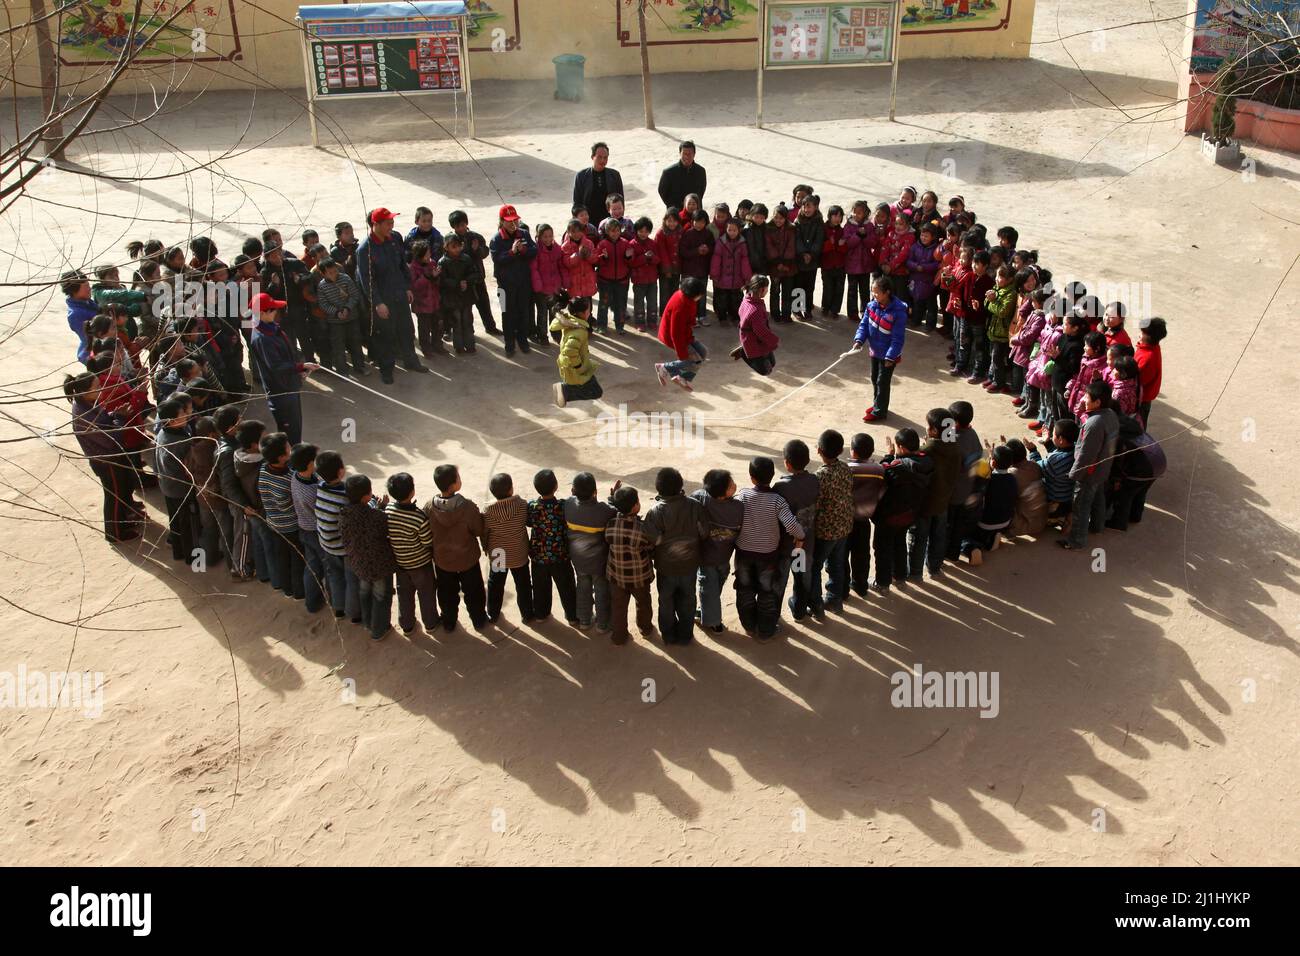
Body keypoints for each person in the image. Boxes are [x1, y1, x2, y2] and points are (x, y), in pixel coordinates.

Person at [66, 371, 144, 543]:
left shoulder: (89, 403)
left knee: (121, 490)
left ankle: (123, 522)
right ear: (85, 392)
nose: (101, 390)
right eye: (97, 387)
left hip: (111, 456)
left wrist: (114, 416)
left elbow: (104, 422)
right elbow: (109, 439)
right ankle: (114, 533)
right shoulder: (83, 415)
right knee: (114, 496)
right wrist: (120, 419)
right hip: (106, 460)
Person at [733, 457, 805, 642]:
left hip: (743, 555)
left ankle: (749, 625)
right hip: (768, 557)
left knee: (745, 590)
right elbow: (792, 525)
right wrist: (801, 536)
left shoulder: (742, 496)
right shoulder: (777, 501)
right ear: (772, 476)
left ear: (751, 478)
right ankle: (765, 631)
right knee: (766, 593)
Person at [356, 207, 429, 380]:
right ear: (376, 225)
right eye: (388, 223)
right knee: (386, 336)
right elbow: (367, 281)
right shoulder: (364, 250)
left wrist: (408, 287)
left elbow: (402, 266)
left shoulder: (395, 239)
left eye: (392, 222)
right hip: (384, 300)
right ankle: (386, 370)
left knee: (406, 330)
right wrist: (378, 303)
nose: (391, 226)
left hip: (400, 294)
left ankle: (411, 361)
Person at [643, 467, 705, 645]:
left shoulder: (655, 511)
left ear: (658, 489)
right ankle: (685, 635)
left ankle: (668, 635)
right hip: (690, 566)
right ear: (681, 486)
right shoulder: (695, 505)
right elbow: (704, 532)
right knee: (687, 600)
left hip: (666, 568)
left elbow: (652, 540)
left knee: (666, 602)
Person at [426, 464, 488, 631]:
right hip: (468, 560)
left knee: (446, 595)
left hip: (443, 561)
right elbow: (478, 530)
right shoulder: (468, 507)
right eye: (458, 477)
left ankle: (449, 622)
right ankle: (479, 620)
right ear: (454, 485)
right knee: (474, 592)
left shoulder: (429, 507)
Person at [1060, 380, 1119, 551]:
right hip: (1103, 468)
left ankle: (1076, 541)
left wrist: (1074, 474)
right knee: (1098, 498)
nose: (1084, 399)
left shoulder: (1094, 424)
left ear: (1098, 402)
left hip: (1089, 473)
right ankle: (1097, 526)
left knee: (1081, 506)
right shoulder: (1110, 415)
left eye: (1087, 397)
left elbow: (1086, 454)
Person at [874, 429, 933, 592]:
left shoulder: (897, 466)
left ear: (901, 448)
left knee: (883, 549)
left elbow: (882, 472)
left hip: (889, 517)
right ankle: (899, 577)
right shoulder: (927, 462)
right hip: (910, 514)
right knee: (899, 544)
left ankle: (882, 583)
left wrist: (889, 456)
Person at [339, 474, 396, 641]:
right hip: (379, 566)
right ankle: (379, 629)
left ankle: (368, 622)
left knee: (364, 592)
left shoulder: (343, 514)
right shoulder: (377, 517)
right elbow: (382, 525)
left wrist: (375, 507)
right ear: (366, 496)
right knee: (381, 596)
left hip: (359, 564)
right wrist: (383, 507)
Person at [804, 429, 853, 617]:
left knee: (815, 566)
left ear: (818, 451)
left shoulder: (820, 476)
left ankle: (816, 605)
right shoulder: (846, 468)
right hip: (844, 525)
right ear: (841, 450)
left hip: (826, 531)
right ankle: (835, 599)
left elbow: (815, 505)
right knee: (837, 563)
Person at [907, 408, 960, 579]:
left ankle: (915, 572)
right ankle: (934, 568)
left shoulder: (927, 450)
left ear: (935, 431)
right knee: (938, 536)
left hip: (925, 503)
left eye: (929, 426)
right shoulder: (955, 447)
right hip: (943, 500)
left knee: (919, 538)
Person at [384, 471, 438, 635]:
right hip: (421, 564)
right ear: (412, 492)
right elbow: (427, 542)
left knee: (404, 595)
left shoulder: (387, 510)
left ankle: (406, 625)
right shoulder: (418, 517)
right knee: (426, 594)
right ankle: (430, 624)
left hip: (400, 563)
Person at [849, 276, 909, 423]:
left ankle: (880, 411)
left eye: (877, 292)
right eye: (872, 292)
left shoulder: (898, 312)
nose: (874, 295)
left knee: (883, 382)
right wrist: (859, 340)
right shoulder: (871, 306)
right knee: (875, 378)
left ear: (887, 292)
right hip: (875, 351)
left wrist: (890, 357)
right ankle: (878, 404)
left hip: (888, 355)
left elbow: (898, 338)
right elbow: (864, 325)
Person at [691, 468, 743, 634]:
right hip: (723, 558)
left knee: (709, 588)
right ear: (722, 494)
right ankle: (714, 623)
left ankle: (706, 612)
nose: (734, 485)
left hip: (706, 557)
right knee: (713, 587)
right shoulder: (737, 507)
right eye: (731, 485)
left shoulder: (700, 498)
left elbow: (692, 498)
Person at [564, 472, 616, 634]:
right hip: (599, 562)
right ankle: (602, 624)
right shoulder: (603, 510)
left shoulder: (568, 504)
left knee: (583, 588)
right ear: (595, 492)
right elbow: (615, 511)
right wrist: (612, 498)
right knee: (601, 591)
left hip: (578, 559)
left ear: (573, 491)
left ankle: (585, 621)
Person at [604, 485, 656, 645]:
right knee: (644, 603)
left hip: (616, 576)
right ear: (635, 506)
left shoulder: (611, 524)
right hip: (639, 577)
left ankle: (619, 636)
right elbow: (650, 546)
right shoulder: (642, 529)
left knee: (618, 607)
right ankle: (645, 628)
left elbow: (607, 540)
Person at [527, 468, 579, 625]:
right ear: (556, 486)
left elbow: (528, 522)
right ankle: (572, 616)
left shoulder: (532, 506)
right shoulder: (562, 506)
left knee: (540, 587)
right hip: (560, 555)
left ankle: (541, 614)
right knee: (567, 587)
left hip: (538, 556)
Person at [774, 439, 819, 621]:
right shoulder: (814, 481)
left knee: (780, 582)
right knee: (802, 578)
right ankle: (800, 611)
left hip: (786, 547)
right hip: (804, 546)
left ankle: (773, 617)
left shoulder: (781, 487)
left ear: (787, 463)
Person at [484, 472, 536, 624]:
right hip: (519, 552)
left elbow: (485, 532)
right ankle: (527, 614)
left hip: (499, 553)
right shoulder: (521, 505)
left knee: (496, 583)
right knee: (523, 584)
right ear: (511, 489)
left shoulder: (488, 511)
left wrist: (485, 547)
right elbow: (527, 522)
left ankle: (493, 613)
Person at [258, 431, 303, 600]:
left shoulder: (264, 468)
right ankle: (298, 591)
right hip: (290, 526)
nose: (291, 447)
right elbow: (286, 506)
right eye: (288, 447)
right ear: (282, 456)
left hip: (274, 523)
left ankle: (287, 589)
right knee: (297, 559)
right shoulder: (287, 478)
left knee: (282, 557)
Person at [488, 204, 537, 355]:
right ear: (502, 221)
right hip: (504, 285)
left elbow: (534, 250)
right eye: (509, 221)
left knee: (523, 312)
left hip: (523, 282)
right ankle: (509, 343)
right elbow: (497, 259)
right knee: (507, 313)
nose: (513, 224)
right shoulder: (496, 239)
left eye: (515, 220)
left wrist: (524, 250)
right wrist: (512, 252)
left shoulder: (523, 234)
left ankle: (522, 340)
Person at [154, 394, 197, 563]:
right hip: (181, 489)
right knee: (188, 524)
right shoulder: (180, 441)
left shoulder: (162, 434)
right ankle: (193, 559)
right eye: (182, 415)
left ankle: (178, 552)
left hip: (167, 486)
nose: (186, 416)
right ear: (171, 421)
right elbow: (189, 467)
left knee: (176, 521)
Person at [313, 450, 355, 620]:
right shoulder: (345, 495)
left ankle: (338, 608)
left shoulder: (321, 487)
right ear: (341, 471)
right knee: (351, 579)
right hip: (343, 547)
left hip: (326, 544)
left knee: (335, 576)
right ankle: (354, 613)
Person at [962, 443, 1016, 566]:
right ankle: (991, 538)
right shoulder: (1012, 479)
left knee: (961, 534)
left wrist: (987, 464)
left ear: (993, 463)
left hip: (985, 523)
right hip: (1005, 521)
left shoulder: (989, 480)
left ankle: (971, 549)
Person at [448, 209, 501, 337]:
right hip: (463, 280)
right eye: (457, 226)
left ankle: (490, 326)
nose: (460, 228)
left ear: (466, 223)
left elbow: (485, 253)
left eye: (462, 225)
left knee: (484, 304)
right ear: (453, 227)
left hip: (477, 278)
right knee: (465, 308)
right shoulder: (451, 240)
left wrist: (477, 249)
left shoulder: (476, 237)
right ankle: (467, 331)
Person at [314, 256, 369, 376]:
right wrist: (336, 312)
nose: (334, 274)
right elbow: (323, 304)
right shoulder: (322, 286)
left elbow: (354, 295)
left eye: (335, 271)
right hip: (335, 322)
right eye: (330, 273)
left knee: (355, 344)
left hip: (351, 318)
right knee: (338, 347)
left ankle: (360, 367)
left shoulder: (345, 279)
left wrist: (347, 308)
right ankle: (342, 371)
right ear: (323, 274)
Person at [289, 442, 327, 614]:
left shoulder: (296, 476)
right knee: (327, 567)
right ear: (310, 464)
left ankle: (312, 602)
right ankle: (329, 603)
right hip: (315, 532)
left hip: (304, 528)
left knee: (312, 567)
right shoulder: (312, 491)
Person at [846, 432, 885, 594]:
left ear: (853, 452)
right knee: (862, 555)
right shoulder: (878, 470)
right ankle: (860, 585)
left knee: (842, 555)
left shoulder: (846, 469)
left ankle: (842, 589)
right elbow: (881, 492)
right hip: (864, 519)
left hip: (845, 521)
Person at [549, 292, 602, 408]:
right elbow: (569, 350)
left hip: (577, 366)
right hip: (575, 369)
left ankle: (566, 389)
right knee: (596, 391)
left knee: (593, 386)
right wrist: (578, 366)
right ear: (582, 314)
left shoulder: (571, 321)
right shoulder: (579, 331)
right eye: (588, 311)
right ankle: (565, 390)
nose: (589, 313)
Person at [655, 276, 708, 392]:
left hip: (686, 334)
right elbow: (676, 334)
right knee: (695, 361)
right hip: (672, 336)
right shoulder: (681, 307)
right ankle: (664, 367)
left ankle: (678, 375)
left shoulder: (685, 297)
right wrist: (682, 354)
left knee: (703, 352)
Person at [1028, 419, 1078, 530]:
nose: (1051, 436)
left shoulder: (1054, 460)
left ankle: (1056, 518)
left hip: (1056, 500)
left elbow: (1036, 467)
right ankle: (1064, 514)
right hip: (1067, 497)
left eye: (1053, 434)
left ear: (1060, 439)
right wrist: (1047, 442)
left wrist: (1033, 451)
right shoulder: (1076, 450)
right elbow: (1059, 453)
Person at [438, 234, 478, 355]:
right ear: (446, 247)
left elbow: (475, 273)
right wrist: (457, 284)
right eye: (453, 247)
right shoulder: (443, 262)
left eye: (458, 246)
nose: (456, 249)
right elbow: (442, 280)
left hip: (466, 297)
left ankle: (470, 345)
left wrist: (467, 281)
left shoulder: (466, 259)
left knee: (467, 321)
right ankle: (459, 347)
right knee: (457, 322)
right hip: (452, 298)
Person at [710, 218, 752, 327]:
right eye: (729, 230)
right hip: (722, 278)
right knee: (722, 299)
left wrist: (747, 277)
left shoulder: (742, 243)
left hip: (736, 278)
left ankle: (735, 317)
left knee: (736, 299)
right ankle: (722, 318)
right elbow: (716, 259)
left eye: (734, 230)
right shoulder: (720, 242)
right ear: (726, 230)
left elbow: (745, 261)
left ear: (739, 230)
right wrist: (714, 274)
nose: (732, 232)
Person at [594, 215, 632, 334]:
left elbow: (630, 262)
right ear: (607, 231)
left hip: (621, 280)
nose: (614, 233)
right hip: (605, 281)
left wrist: (628, 256)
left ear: (620, 230)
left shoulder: (625, 243)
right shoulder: (602, 244)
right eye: (611, 231)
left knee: (620, 305)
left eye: (617, 230)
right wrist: (603, 258)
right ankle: (601, 325)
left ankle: (620, 326)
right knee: (604, 304)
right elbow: (597, 262)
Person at [677, 210, 715, 325]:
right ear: (692, 221)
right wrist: (697, 251)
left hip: (702, 269)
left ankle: (701, 315)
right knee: (689, 295)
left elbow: (713, 247)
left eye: (702, 222)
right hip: (689, 271)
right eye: (697, 222)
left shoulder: (708, 234)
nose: (699, 224)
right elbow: (683, 252)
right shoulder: (687, 234)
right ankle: (690, 317)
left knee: (701, 294)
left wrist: (707, 250)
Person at [407, 239, 444, 358]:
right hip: (422, 305)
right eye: (426, 254)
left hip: (434, 302)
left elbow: (437, 282)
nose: (429, 256)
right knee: (424, 329)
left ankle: (437, 345)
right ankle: (426, 348)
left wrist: (436, 277)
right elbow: (415, 286)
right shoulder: (413, 268)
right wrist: (427, 276)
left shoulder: (432, 263)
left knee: (437, 326)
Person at [736, 274, 779, 376]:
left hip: (752, 335)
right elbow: (761, 332)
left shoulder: (747, 299)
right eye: (766, 288)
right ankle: (744, 353)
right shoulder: (755, 310)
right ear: (762, 290)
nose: (767, 291)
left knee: (772, 363)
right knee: (766, 371)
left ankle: (748, 351)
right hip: (752, 340)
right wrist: (774, 340)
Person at [529, 223, 564, 346]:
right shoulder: (536, 250)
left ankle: (556, 334)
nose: (548, 239)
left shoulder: (557, 249)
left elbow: (561, 267)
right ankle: (542, 336)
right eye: (545, 237)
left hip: (554, 288)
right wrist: (538, 286)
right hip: (542, 289)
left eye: (550, 236)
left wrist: (563, 282)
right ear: (539, 237)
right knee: (542, 314)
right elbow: (534, 269)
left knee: (555, 313)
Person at [573, 142, 625, 221]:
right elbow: (577, 203)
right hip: (588, 220)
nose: (602, 160)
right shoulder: (581, 176)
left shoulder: (614, 175)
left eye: (605, 157)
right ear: (592, 157)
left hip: (610, 223)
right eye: (599, 157)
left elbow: (621, 200)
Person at [792, 196, 824, 320]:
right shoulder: (798, 221)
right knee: (797, 285)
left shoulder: (819, 221)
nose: (806, 209)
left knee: (809, 287)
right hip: (799, 259)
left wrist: (811, 254)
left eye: (809, 206)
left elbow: (819, 239)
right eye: (804, 206)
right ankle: (796, 309)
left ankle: (807, 308)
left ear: (815, 207)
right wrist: (803, 253)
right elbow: (797, 239)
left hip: (812, 260)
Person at [765, 204, 797, 323]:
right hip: (775, 267)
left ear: (786, 218)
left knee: (787, 292)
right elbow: (769, 247)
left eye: (781, 218)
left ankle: (786, 314)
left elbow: (791, 246)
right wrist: (777, 262)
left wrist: (786, 263)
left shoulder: (791, 229)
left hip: (789, 267)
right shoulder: (768, 229)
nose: (778, 220)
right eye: (776, 217)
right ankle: (775, 314)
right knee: (775, 291)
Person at [628, 217, 660, 333]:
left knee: (652, 302)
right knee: (639, 302)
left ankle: (652, 321)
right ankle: (640, 322)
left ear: (649, 231)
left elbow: (658, 260)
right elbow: (631, 262)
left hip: (652, 280)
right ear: (636, 230)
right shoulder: (631, 244)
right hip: (638, 280)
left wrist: (652, 258)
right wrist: (644, 257)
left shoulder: (653, 243)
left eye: (646, 231)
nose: (643, 233)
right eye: (641, 231)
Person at [657, 140, 707, 210]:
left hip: (695, 211)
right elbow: (662, 191)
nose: (687, 157)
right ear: (680, 153)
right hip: (676, 213)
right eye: (684, 153)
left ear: (694, 154)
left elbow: (701, 191)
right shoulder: (668, 172)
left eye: (689, 154)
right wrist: (673, 206)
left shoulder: (701, 171)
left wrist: (693, 204)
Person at [1134, 317, 1166, 426]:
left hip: (1141, 399)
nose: (1139, 335)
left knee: (1138, 426)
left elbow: (1138, 381)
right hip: (1144, 395)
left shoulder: (1148, 358)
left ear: (1149, 336)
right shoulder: (1149, 348)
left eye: (1142, 333)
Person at [654, 208, 683, 321]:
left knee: (675, 291)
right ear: (665, 220)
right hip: (665, 270)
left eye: (674, 221)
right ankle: (664, 314)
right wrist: (667, 270)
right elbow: (662, 252)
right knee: (665, 292)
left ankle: (673, 312)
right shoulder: (661, 233)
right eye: (669, 220)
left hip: (677, 268)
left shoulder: (680, 231)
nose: (672, 223)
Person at [819, 205, 848, 318]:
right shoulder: (823, 229)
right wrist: (829, 244)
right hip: (827, 265)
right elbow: (820, 247)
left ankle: (835, 310)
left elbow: (846, 248)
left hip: (840, 265)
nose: (837, 218)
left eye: (840, 216)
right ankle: (825, 307)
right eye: (835, 215)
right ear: (829, 216)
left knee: (839, 288)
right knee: (828, 287)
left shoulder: (842, 230)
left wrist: (841, 245)